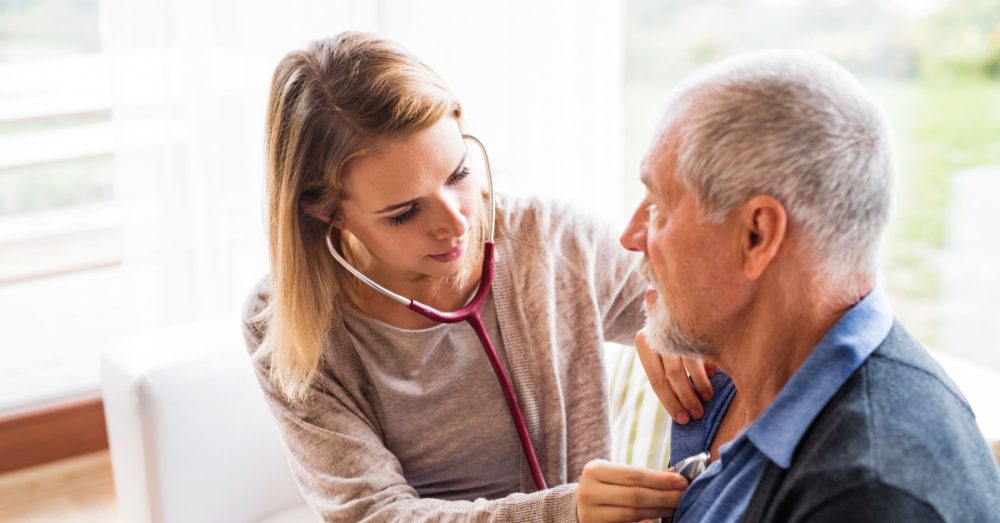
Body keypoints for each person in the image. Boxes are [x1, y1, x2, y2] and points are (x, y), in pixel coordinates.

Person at [242, 32, 689, 522]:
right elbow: (373, 514)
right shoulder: (283, 326)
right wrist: (563, 512)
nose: (457, 221)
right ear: (328, 213)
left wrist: (683, 327)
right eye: (404, 212)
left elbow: (699, 311)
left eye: (458, 174)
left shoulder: (555, 240)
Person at [621, 49, 1000, 521]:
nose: (631, 236)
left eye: (657, 205)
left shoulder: (870, 496)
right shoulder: (738, 374)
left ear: (757, 235)